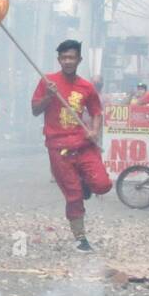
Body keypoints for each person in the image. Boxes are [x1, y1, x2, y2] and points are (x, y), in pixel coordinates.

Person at [30, 40, 111, 252]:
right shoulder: (48, 82)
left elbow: (96, 112)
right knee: (73, 195)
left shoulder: (87, 87)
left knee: (103, 185)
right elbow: (35, 110)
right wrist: (48, 95)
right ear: (59, 60)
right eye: (64, 58)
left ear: (79, 60)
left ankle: (85, 182)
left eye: (71, 57)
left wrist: (94, 130)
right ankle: (80, 238)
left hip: (84, 144)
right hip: (58, 146)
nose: (68, 61)